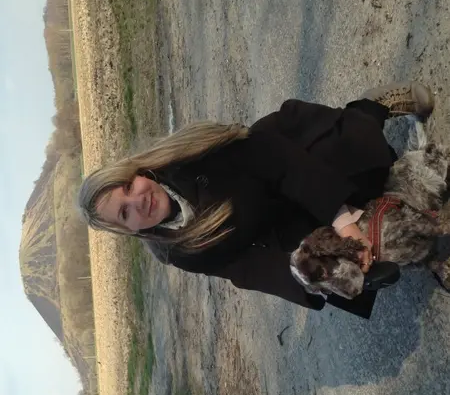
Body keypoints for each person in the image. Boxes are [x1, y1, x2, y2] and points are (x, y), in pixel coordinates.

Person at [78, 81, 434, 319]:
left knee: (367, 161)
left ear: (137, 172)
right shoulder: (178, 251)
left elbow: (283, 164)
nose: (138, 201)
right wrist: (319, 279)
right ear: (130, 230)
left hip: (290, 155)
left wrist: (343, 221)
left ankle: (372, 106)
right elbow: (246, 268)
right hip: (276, 218)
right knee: (334, 255)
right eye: (124, 213)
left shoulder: (186, 155)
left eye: (128, 187)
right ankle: (418, 242)